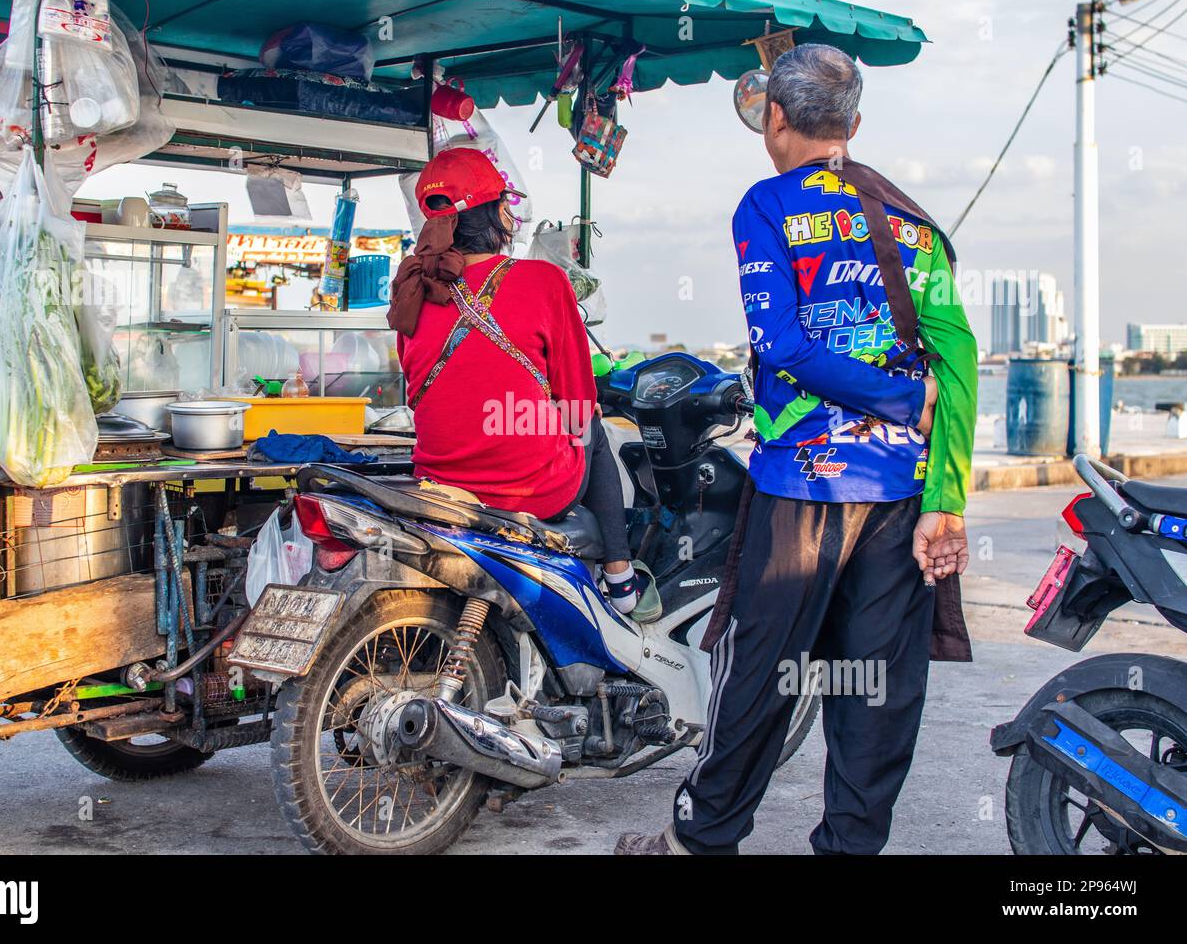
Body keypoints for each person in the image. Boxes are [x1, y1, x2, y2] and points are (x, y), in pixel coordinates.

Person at [617, 43, 978, 855]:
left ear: (775, 118)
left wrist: (893, 396)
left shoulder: (767, 205)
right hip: (901, 495)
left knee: (758, 680)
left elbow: (778, 344)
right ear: (854, 123)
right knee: (878, 692)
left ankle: (700, 839)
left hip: (802, 492)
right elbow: (956, 369)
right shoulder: (912, 218)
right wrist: (946, 499)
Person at [389, 147, 657, 619]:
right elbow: (578, 398)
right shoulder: (544, 281)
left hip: (439, 482)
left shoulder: (413, 289)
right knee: (591, 429)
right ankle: (621, 580)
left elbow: (416, 390)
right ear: (495, 213)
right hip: (526, 487)